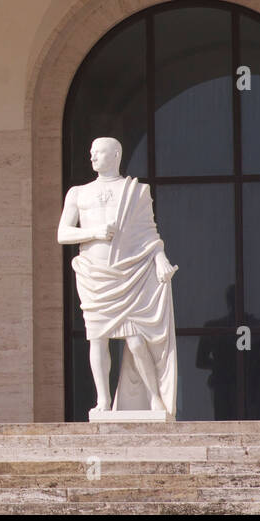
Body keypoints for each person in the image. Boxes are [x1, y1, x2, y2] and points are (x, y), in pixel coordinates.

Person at [57, 137, 177, 416]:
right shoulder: (78, 193)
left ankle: (155, 398)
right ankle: (103, 401)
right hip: (93, 274)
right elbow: (63, 233)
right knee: (97, 337)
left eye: (98, 152)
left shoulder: (136, 191)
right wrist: (95, 233)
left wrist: (160, 260)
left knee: (135, 339)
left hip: (128, 273)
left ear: (115, 155)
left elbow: (149, 232)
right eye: (91, 152)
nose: (92, 157)